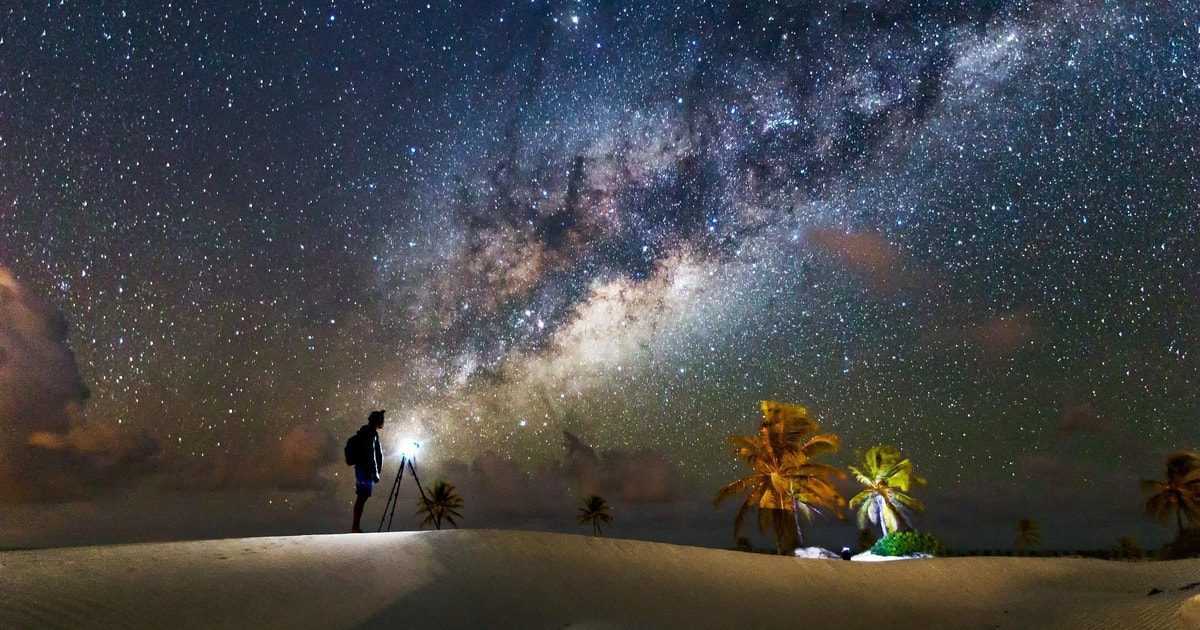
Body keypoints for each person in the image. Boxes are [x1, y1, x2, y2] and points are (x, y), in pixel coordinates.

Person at [351, 410, 385, 533]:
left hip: (363, 469)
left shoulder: (367, 432)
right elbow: (371, 454)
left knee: (362, 497)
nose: (383, 423)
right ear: (378, 421)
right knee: (362, 497)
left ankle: (355, 526)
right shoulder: (370, 433)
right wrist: (375, 472)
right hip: (366, 470)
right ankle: (355, 526)